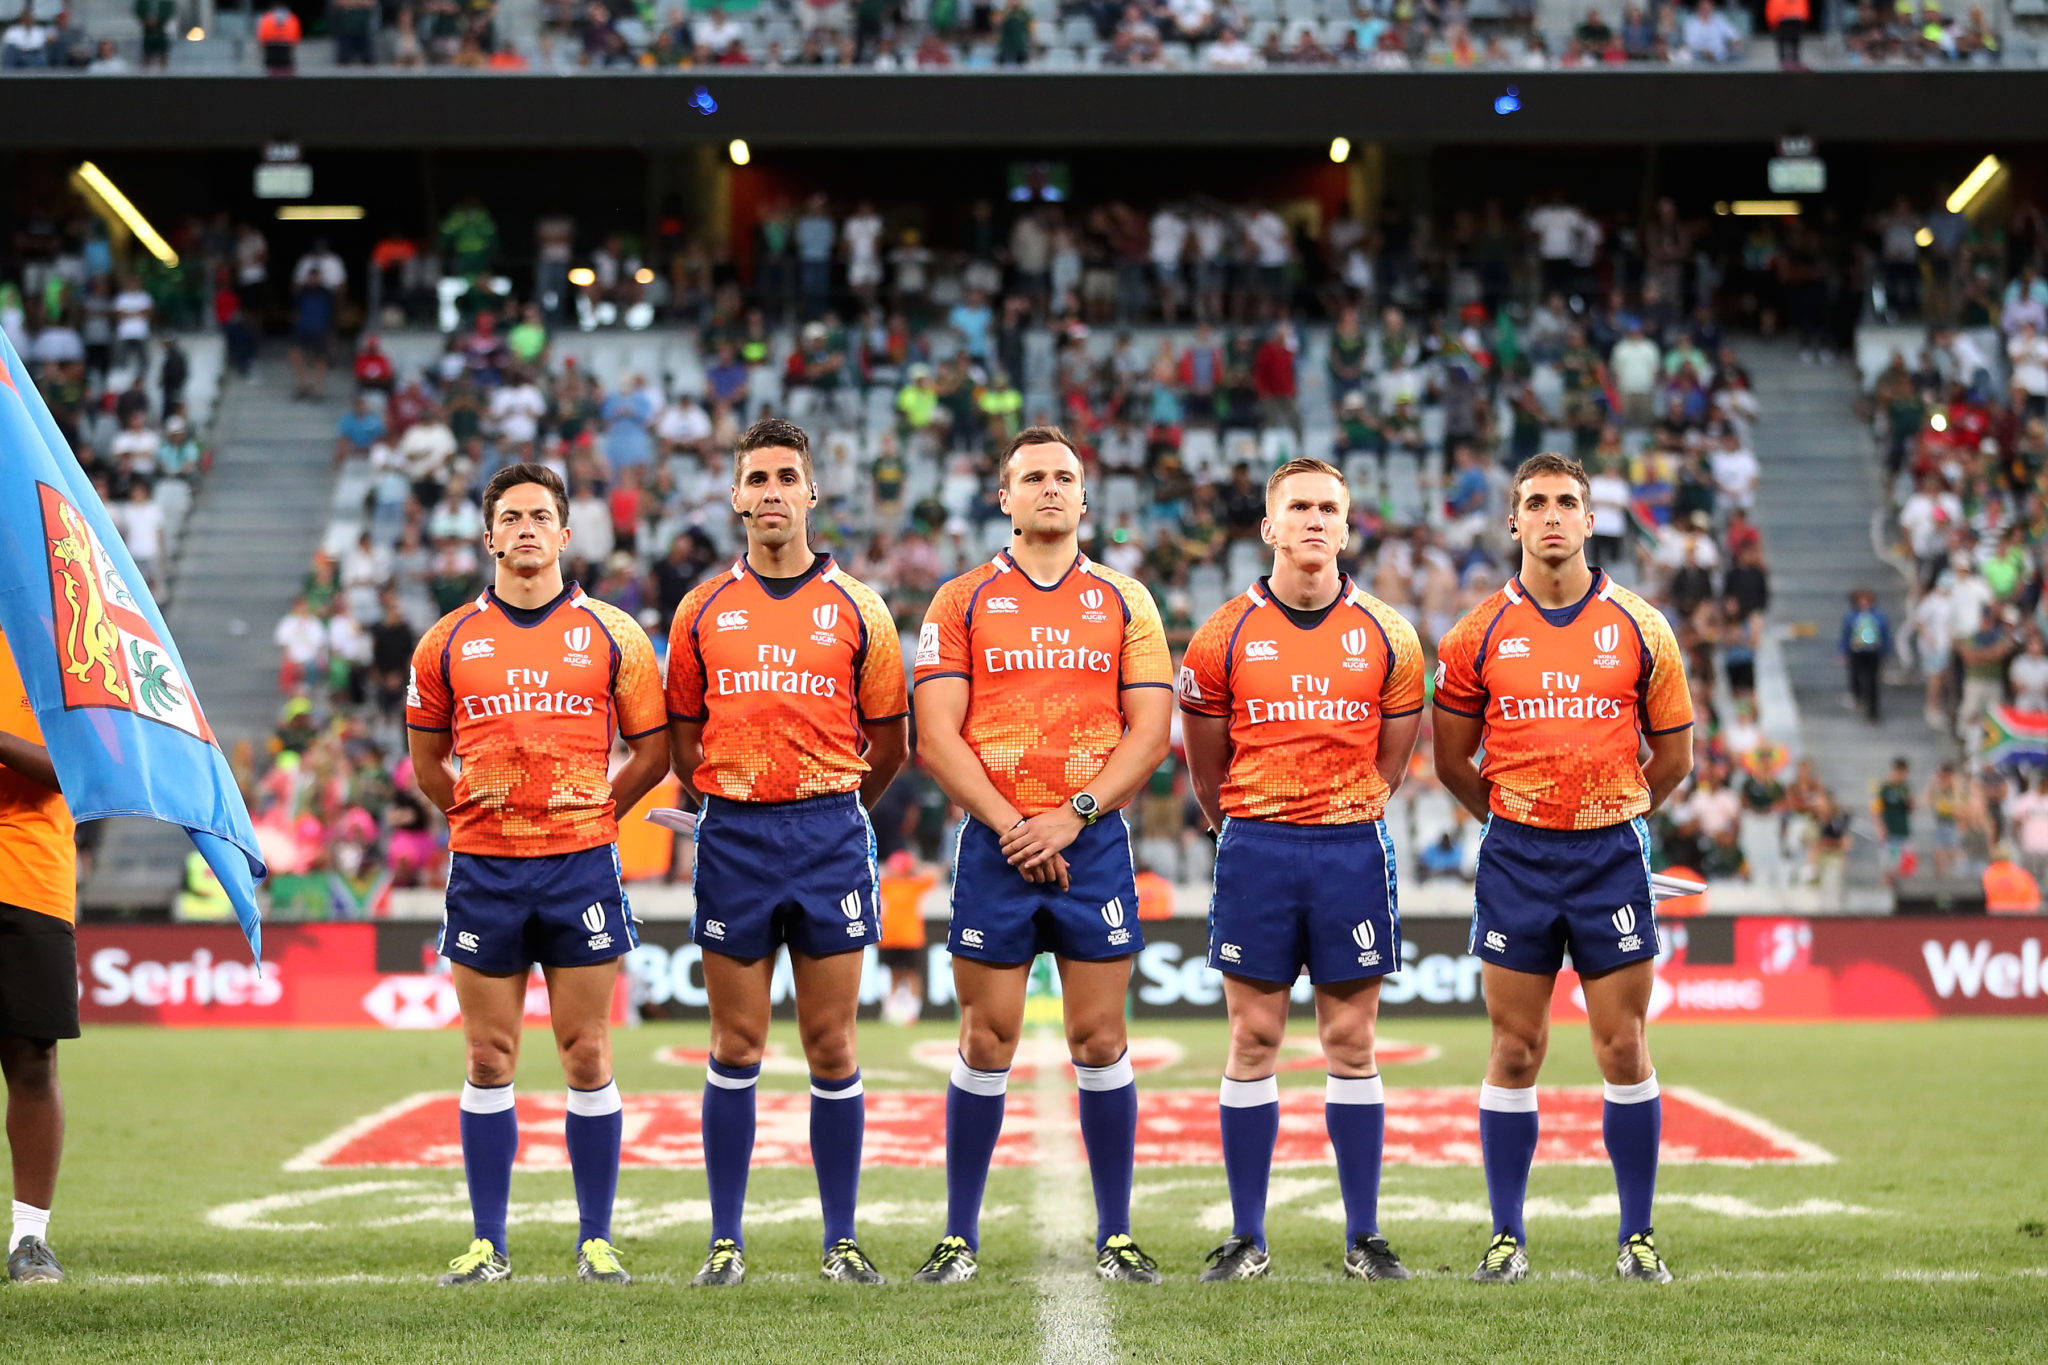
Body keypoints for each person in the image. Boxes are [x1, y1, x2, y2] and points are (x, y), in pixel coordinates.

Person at [909, 426, 1173, 1285]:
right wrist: (1016, 827)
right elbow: (936, 734)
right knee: (987, 1038)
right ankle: (959, 1234)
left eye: (1064, 476)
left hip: (1091, 845)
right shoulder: (960, 600)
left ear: (1085, 498)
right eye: (1032, 477)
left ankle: (1116, 1233)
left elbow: (1150, 732)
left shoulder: (1126, 600)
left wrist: (1072, 815)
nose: (1050, 488)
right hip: (996, 848)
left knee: (1099, 1038)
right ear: (1005, 497)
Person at [406, 463, 670, 1288]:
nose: (526, 529)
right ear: (489, 536)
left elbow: (653, 752)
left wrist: (594, 813)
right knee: (488, 1054)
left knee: (586, 1050)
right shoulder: (446, 640)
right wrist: (478, 818)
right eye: (512, 517)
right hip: (485, 869)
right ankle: (489, 1242)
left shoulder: (614, 633)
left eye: (540, 517)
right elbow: (427, 761)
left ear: (565, 533)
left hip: (580, 867)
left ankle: (596, 1240)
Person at [1433, 452, 1694, 1285]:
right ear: (1513, 520)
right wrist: (1519, 817)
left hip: (1610, 855)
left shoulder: (1642, 625)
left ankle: (1637, 1236)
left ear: (1589, 518)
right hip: (1517, 856)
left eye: (1566, 502)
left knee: (1623, 1044)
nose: (1552, 515)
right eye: (1536, 502)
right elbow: (1451, 762)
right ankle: (1506, 1235)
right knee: (1515, 1048)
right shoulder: (1475, 634)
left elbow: (1674, 757)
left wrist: (1611, 810)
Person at [664, 418, 909, 1287]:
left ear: (811, 492)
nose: (772, 492)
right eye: (757, 478)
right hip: (735, 836)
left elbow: (889, 742)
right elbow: (684, 738)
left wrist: (834, 808)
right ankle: (725, 1240)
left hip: (829, 835)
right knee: (736, 1044)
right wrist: (732, 802)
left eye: (785, 477)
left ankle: (841, 1238)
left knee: (832, 1045)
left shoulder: (860, 608)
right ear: (736, 496)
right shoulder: (700, 609)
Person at [1178, 457, 1425, 1283]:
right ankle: (1247, 1234)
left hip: (1350, 848)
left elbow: (1390, 766)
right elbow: (1207, 772)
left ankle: (1365, 1236)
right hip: (1257, 846)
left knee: (1351, 1041)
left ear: (1346, 528)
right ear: (1269, 526)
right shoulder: (1222, 634)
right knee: (1253, 1038)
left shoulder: (1390, 635)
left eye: (1328, 508)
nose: (1315, 520)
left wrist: (1338, 808)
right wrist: (1254, 820)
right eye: (1299, 507)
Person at [0, 628, 74, 1283]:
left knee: (31, 1057)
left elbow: (72, 771)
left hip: (28, 874)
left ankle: (30, 1237)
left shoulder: (55, 645)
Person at [877, 849, 934, 1026]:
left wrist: (915, 868)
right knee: (893, 975)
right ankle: (890, 1011)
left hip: (910, 938)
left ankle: (912, 1012)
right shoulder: (887, 884)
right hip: (890, 938)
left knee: (912, 975)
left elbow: (932, 877)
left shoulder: (914, 884)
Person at [1839, 589, 1890, 726]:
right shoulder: (1851, 616)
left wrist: (1886, 652)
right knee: (1855, 675)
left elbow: (1885, 634)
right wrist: (1842, 651)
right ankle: (1858, 696)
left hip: (1873, 651)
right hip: (1857, 650)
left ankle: (1873, 712)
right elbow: (1846, 635)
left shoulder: (1878, 616)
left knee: (1872, 681)